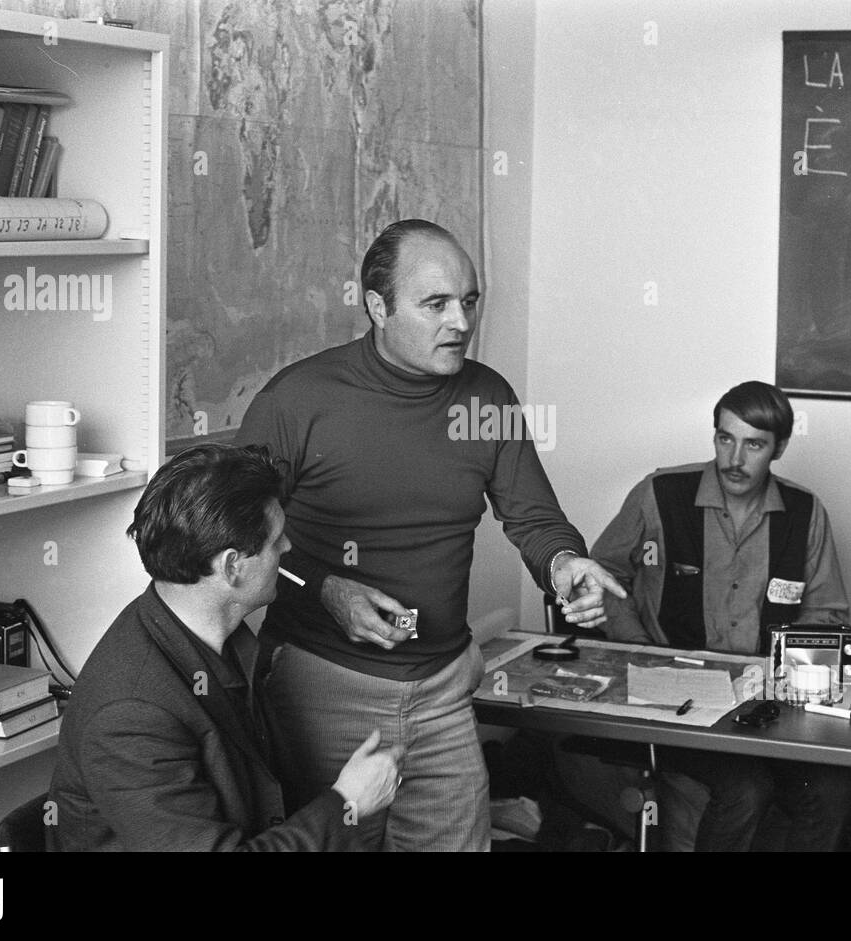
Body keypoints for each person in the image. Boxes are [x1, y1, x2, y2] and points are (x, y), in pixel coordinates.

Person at [235, 219, 625, 851]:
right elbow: (230, 546)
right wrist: (323, 587)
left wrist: (564, 564)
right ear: (377, 307)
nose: (462, 322)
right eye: (436, 304)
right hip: (324, 683)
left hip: (444, 687)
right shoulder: (297, 402)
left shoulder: (485, 395)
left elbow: (532, 516)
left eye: (469, 300)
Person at [48, 444, 403, 851]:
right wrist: (348, 804)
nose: (287, 548)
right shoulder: (132, 715)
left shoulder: (204, 631)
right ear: (232, 566)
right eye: (275, 541)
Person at [591, 381, 851, 851]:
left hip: (764, 701)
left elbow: (825, 612)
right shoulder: (660, 493)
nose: (734, 459)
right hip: (674, 696)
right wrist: (639, 649)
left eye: (753, 444)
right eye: (724, 439)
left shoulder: (805, 511)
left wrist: (793, 676)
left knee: (833, 790)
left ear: (779, 448)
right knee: (746, 789)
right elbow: (605, 573)